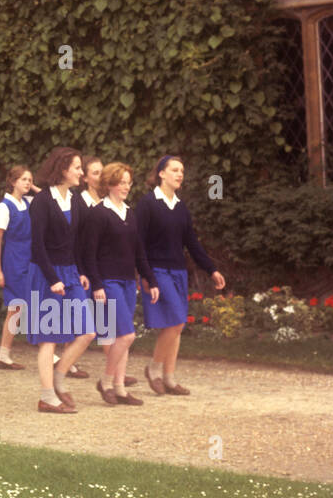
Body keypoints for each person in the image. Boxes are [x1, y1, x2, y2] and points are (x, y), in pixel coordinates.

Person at [135, 155, 226, 396]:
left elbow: (192, 243)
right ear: (161, 174)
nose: (179, 175)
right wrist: (144, 274)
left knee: (176, 325)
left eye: (182, 171)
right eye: (174, 170)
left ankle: (169, 378)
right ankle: (154, 369)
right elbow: (138, 244)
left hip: (178, 272)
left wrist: (212, 269)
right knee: (176, 320)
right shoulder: (147, 204)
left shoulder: (180, 207)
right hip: (156, 270)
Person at [26, 146, 97, 413]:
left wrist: (79, 271)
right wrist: (53, 278)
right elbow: (37, 246)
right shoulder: (43, 201)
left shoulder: (76, 200)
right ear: (63, 169)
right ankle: (46, 397)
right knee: (50, 338)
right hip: (47, 276)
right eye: (78, 167)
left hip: (70, 273)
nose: (81, 172)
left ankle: (58, 377)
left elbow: (76, 242)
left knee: (88, 331)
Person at [82, 162, 154, 406]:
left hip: (127, 282)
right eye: (121, 182)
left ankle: (120, 389)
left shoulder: (130, 213)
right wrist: (96, 284)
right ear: (110, 184)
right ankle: (105, 381)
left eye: (128, 182)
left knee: (117, 337)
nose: (126, 187)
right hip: (107, 282)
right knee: (127, 336)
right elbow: (88, 254)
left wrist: (149, 279)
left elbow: (138, 252)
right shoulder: (98, 213)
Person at [0, 163, 34, 370]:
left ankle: (3, 355)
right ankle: (50, 354)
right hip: (14, 260)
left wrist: (33, 188)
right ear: (13, 182)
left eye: (30, 180)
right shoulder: (3, 207)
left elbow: (49, 199)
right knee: (23, 305)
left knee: (17, 308)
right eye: (24, 179)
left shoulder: (28, 202)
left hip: (29, 258)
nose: (28, 183)